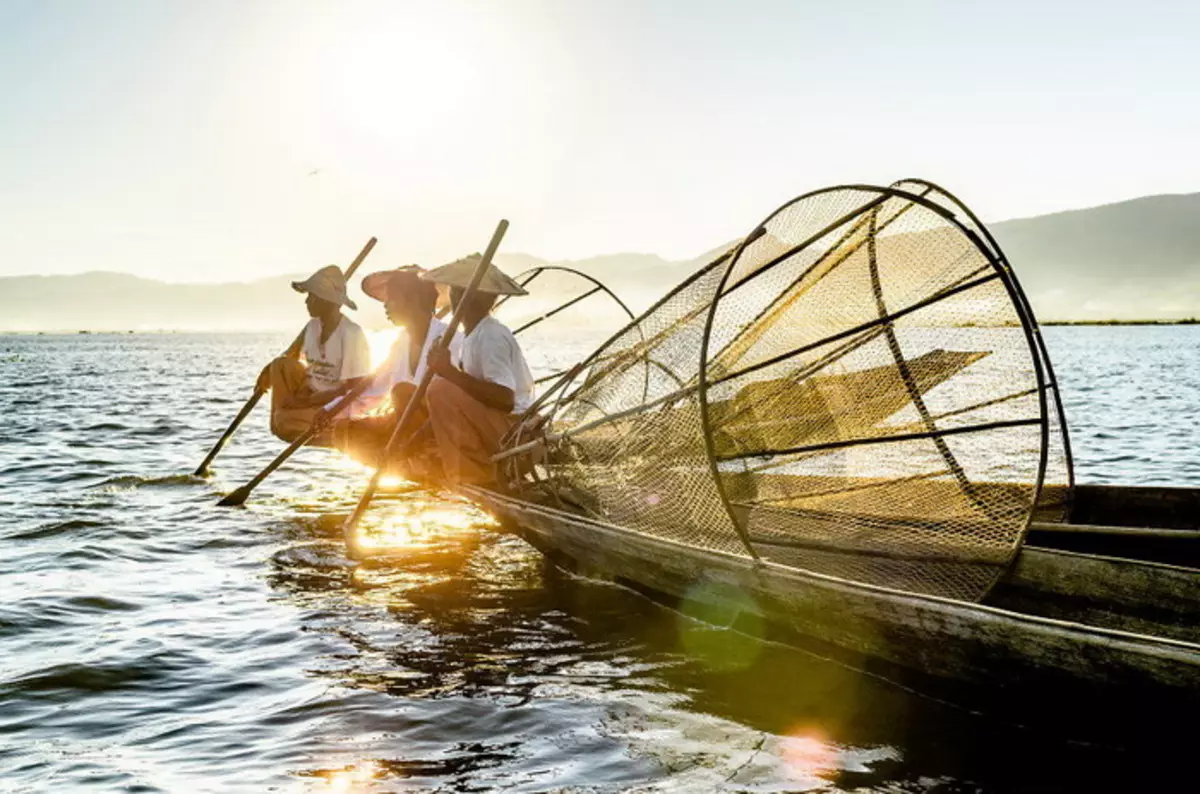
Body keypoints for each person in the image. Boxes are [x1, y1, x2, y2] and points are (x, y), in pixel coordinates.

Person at [420, 254, 533, 486]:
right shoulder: (471, 335)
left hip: (518, 437)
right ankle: (469, 466)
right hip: (501, 430)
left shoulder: (491, 334)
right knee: (440, 390)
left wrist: (449, 372)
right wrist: (414, 439)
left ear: (480, 299)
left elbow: (505, 399)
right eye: (455, 291)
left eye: (461, 292)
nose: (456, 296)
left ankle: (476, 475)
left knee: (441, 389)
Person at [331, 266, 459, 466]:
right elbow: (374, 388)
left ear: (413, 301)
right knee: (345, 431)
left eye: (392, 299)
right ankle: (398, 458)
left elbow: (454, 404)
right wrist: (331, 411)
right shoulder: (401, 343)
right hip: (405, 426)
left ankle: (414, 455)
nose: (385, 306)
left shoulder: (450, 340)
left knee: (402, 393)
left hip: (438, 429)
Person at [257, 265, 371, 442]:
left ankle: (331, 430)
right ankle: (286, 422)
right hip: (311, 394)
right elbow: (290, 356)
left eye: (312, 297)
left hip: (336, 405)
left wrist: (309, 402)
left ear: (326, 300)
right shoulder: (312, 327)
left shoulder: (351, 333)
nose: (307, 302)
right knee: (280, 365)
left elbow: (354, 387)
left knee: (284, 421)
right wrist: (268, 371)